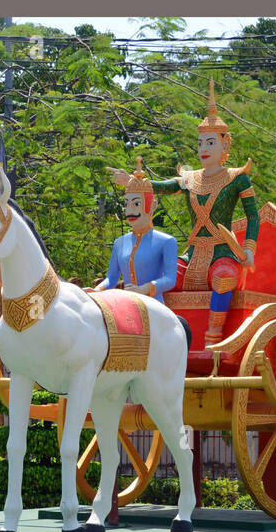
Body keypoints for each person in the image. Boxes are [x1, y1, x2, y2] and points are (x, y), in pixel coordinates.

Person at [108, 80, 259, 348]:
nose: (203, 149)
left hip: (223, 253)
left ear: (225, 146)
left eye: (210, 142)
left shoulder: (238, 178)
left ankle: (214, 339)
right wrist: (133, 179)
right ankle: (154, 335)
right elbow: (162, 187)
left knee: (223, 279)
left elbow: (253, 217)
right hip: (192, 256)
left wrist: (248, 250)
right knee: (152, 278)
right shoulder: (189, 178)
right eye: (200, 143)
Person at [97, 158, 179, 305]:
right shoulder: (120, 243)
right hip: (127, 305)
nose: (130, 211)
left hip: (155, 307)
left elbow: (169, 279)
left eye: (136, 204)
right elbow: (111, 279)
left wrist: (143, 289)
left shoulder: (166, 241)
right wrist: (95, 290)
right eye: (126, 204)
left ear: (152, 206)